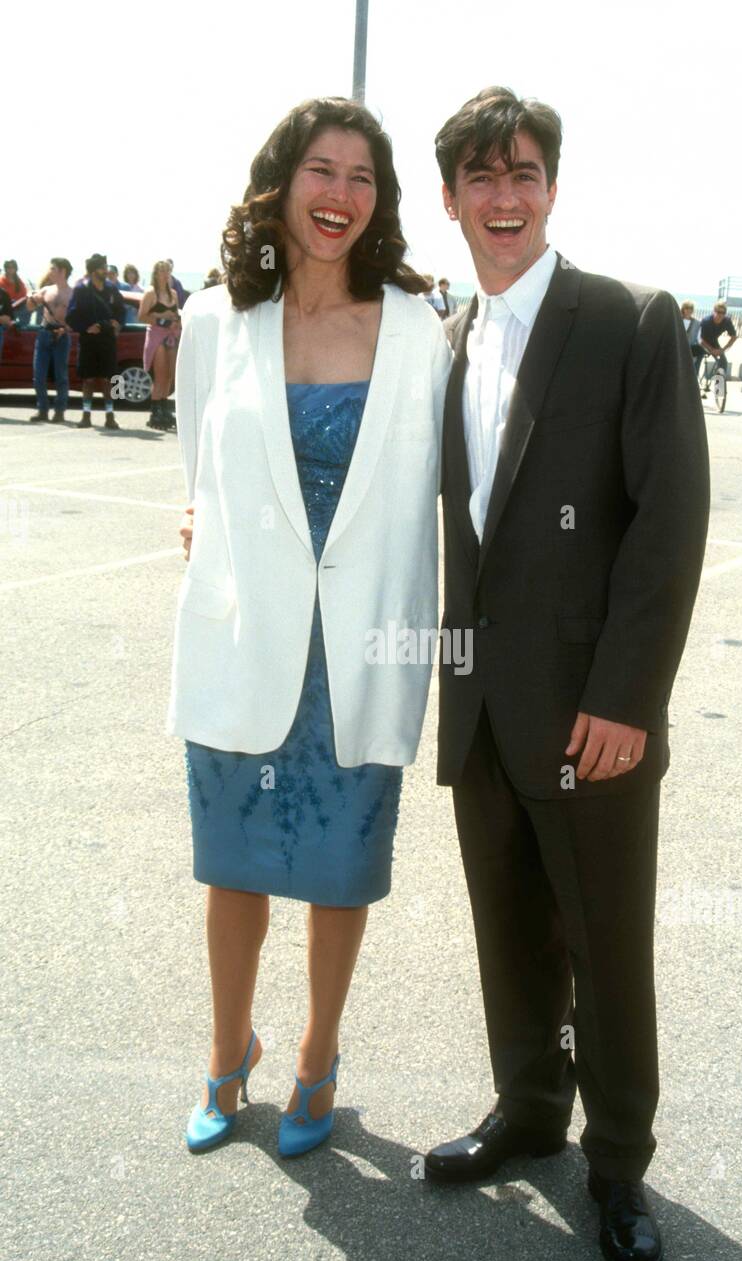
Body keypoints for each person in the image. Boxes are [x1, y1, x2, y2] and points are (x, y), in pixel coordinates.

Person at [424, 87, 710, 1261]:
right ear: (449, 199)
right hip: (482, 699)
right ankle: (529, 1110)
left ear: (552, 188)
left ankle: (619, 1163)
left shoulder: (629, 320)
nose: (505, 197)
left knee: (605, 943)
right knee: (510, 933)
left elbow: (668, 520)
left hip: (591, 712)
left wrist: (627, 698)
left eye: (524, 173)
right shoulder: (446, 338)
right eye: (481, 178)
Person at [167, 97, 450, 1160]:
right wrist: (195, 519)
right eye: (322, 171)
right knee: (231, 864)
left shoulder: (420, 329)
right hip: (247, 638)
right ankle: (224, 1051)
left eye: (362, 177)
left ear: (378, 201)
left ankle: (316, 1057)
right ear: (282, 183)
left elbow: (442, 485)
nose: (340, 194)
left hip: (360, 648)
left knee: (340, 865)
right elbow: (198, 466)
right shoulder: (210, 322)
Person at [65, 253, 127, 429]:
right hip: (89, 340)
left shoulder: (112, 289)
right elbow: (71, 316)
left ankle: (110, 415)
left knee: (109, 378)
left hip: (107, 339)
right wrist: (86, 327)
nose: (105, 270)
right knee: (89, 379)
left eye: (106, 267)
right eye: (102, 267)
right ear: (93, 271)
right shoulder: (81, 290)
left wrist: (117, 324)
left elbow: (121, 311)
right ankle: (86, 415)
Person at [26, 258, 74, 424]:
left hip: (62, 336)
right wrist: (31, 298)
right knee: (38, 376)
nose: (50, 271)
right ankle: (42, 410)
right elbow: (30, 307)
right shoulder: (46, 290)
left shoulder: (72, 293)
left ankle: (59, 411)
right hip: (44, 333)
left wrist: (65, 329)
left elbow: (77, 318)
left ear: (63, 271)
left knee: (61, 376)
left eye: (53, 268)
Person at [138, 260, 182, 431]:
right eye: (162, 271)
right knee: (160, 375)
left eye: (167, 271)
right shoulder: (150, 293)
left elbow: (176, 313)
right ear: (155, 273)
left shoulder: (173, 294)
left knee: (170, 375)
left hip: (171, 334)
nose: (165, 274)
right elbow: (141, 316)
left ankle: (164, 409)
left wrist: (175, 321)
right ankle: (155, 410)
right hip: (157, 334)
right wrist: (161, 319)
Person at [698, 299, 737, 395]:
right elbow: (700, 339)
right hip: (702, 342)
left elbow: (734, 336)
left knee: (723, 361)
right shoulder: (706, 321)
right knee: (696, 360)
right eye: (718, 312)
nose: (721, 315)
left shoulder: (726, 321)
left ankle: (718, 388)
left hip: (713, 342)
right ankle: (695, 383)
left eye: (723, 313)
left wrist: (723, 349)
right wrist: (711, 350)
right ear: (714, 312)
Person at [681, 299, 703, 376]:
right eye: (687, 308)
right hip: (678, 348)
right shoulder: (677, 320)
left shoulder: (697, 323)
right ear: (683, 309)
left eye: (691, 308)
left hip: (690, 349)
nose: (689, 310)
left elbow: (699, 339)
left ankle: (694, 377)